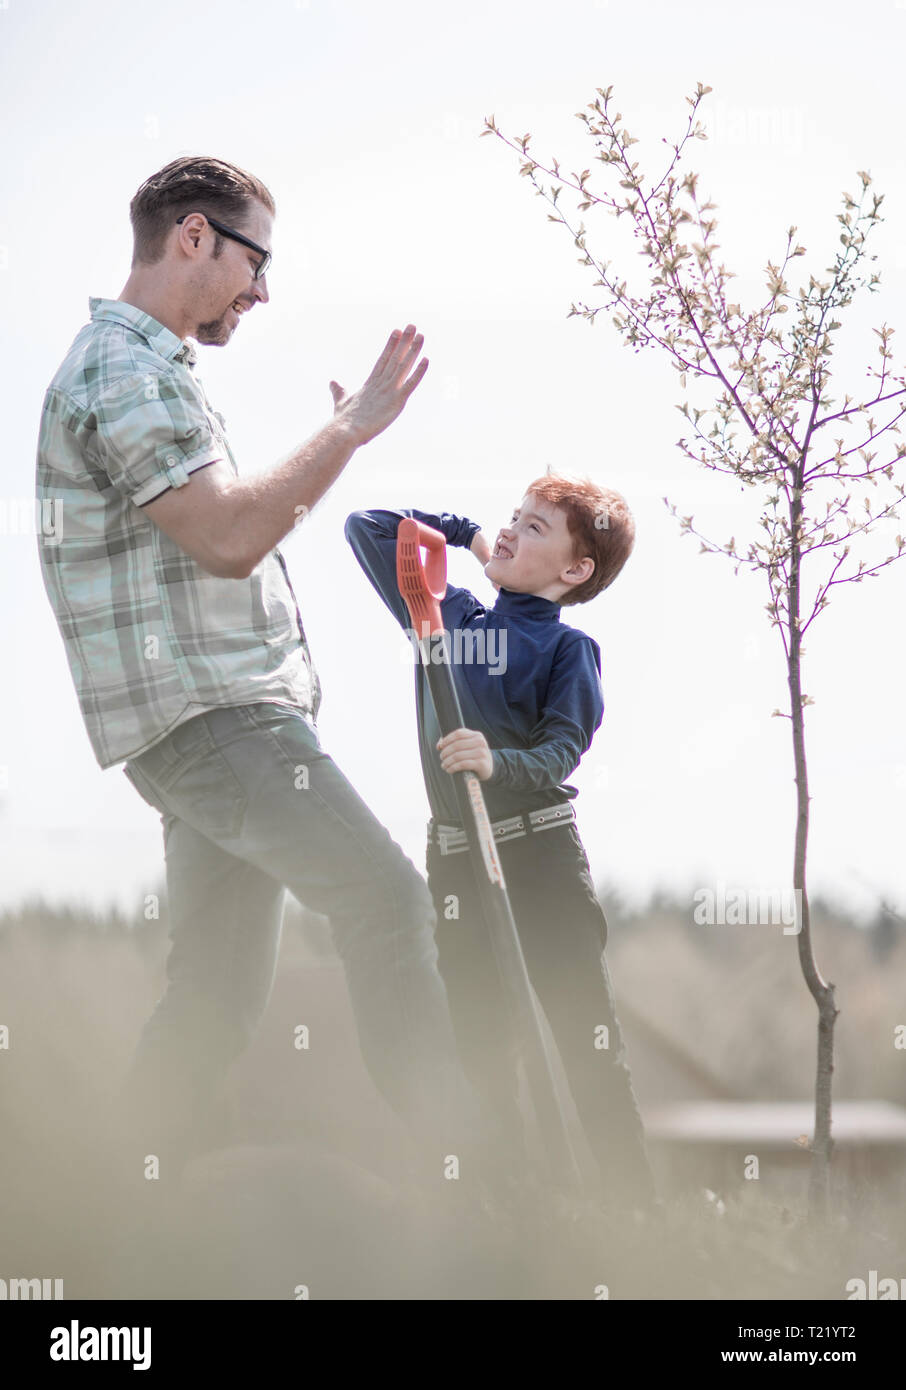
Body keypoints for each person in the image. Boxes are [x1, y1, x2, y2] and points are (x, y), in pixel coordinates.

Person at [34, 154, 500, 1185]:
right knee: (387, 902)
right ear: (194, 236)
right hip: (218, 723)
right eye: (256, 261)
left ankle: (101, 1223)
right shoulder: (120, 373)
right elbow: (228, 536)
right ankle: (494, 1200)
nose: (262, 290)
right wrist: (348, 429)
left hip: (200, 728)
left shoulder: (146, 372)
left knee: (213, 998)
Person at [344, 475, 659, 1211]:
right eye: (513, 518)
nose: (512, 530)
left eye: (536, 529)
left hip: (540, 857)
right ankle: (521, 1217)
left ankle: (635, 1220)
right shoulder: (445, 614)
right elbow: (366, 526)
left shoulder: (569, 650)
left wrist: (495, 762)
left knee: (587, 1042)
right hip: (456, 857)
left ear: (575, 571)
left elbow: (558, 754)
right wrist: (462, 532)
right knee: (485, 1044)